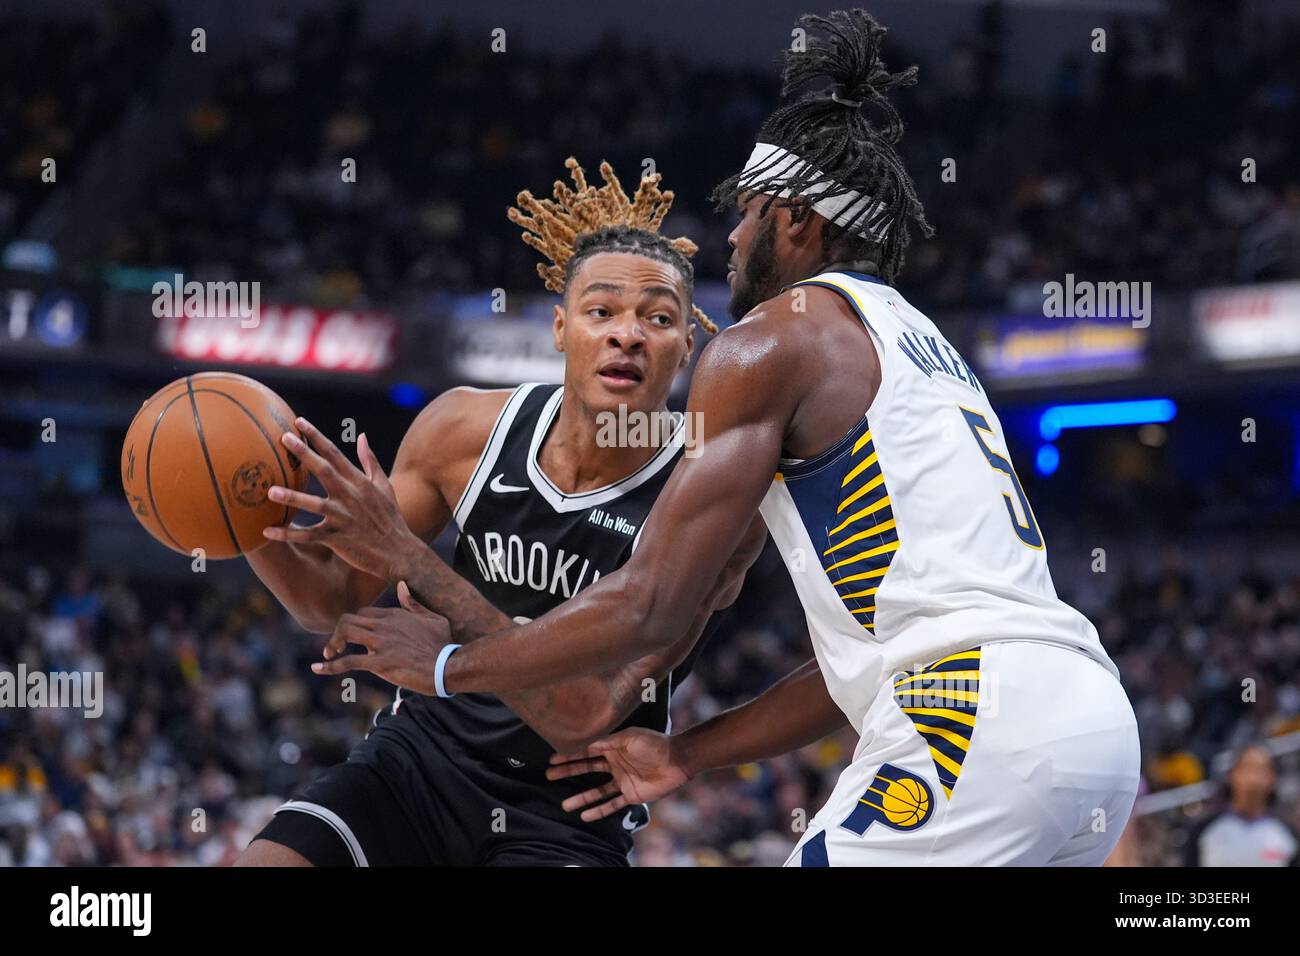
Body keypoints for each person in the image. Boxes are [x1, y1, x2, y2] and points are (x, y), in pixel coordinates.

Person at [321, 9, 1140, 866]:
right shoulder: (927, 353)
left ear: (794, 221)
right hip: (1086, 722)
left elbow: (650, 602)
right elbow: (852, 667)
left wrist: (450, 664)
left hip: (970, 714)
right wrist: (687, 752)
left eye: (747, 217)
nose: (734, 240)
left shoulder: (768, 341)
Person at [235, 158, 764, 866]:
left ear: (688, 347)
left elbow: (581, 716)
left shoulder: (714, 491)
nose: (628, 335)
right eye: (601, 311)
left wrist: (425, 587)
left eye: (659, 319)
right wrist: (237, 516)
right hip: (416, 764)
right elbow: (330, 600)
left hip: (566, 811)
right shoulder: (463, 430)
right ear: (559, 329)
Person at [1184, 745, 1297, 866]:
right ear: (1232, 775)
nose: (1253, 779)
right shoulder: (1204, 829)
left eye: (1261, 770)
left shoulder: (1287, 833)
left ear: (1272, 779)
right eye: (1247, 768)